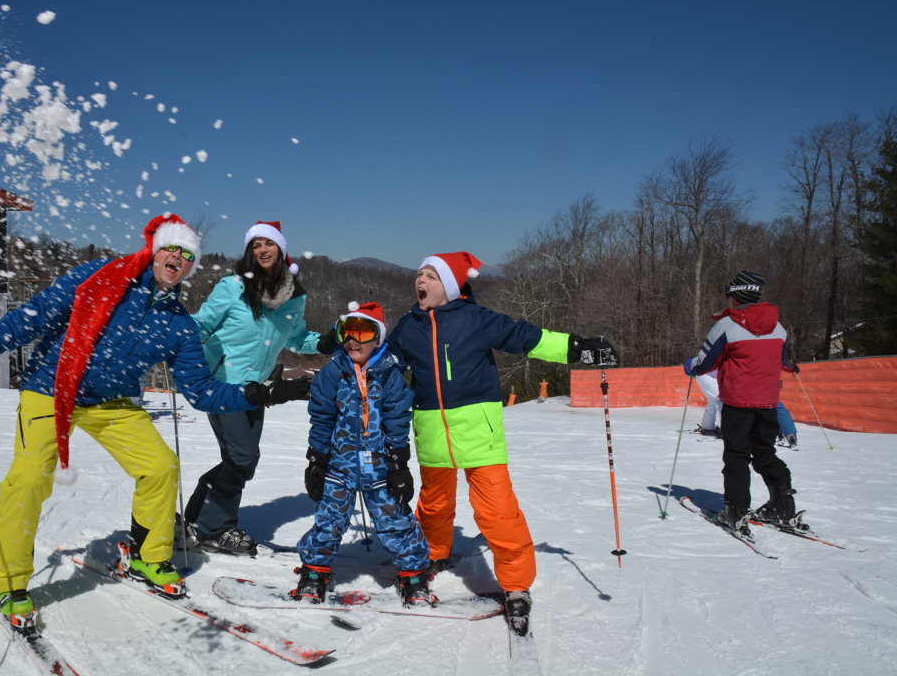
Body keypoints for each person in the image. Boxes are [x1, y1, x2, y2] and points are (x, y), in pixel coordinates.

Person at [0, 214, 307, 625]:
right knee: (29, 477)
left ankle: (147, 558)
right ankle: (7, 582)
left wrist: (259, 393)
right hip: (52, 386)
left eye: (187, 255)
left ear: (190, 268)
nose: (178, 258)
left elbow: (202, 390)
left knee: (160, 466)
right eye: (172, 249)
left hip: (112, 402)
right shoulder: (102, 278)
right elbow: (39, 313)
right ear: (155, 251)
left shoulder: (178, 325)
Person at [386, 251, 618, 637]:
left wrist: (576, 348)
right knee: (434, 505)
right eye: (419, 274)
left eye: (430, 275)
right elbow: (384, 362)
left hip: (480, 434)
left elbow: (528, 337)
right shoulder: (408, 326)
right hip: (431, 433)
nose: (420, 281)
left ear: (450, 286)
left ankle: (516, 584)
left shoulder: (477, 319)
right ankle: (433, 555)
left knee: (498, 513)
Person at [185, 221, 333, 556]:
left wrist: (325, 342)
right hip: (223, 384)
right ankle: (213, 529)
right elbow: (201, 323)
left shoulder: (293, 296)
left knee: (243, 460)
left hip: (259, 388)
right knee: (241, 457)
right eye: (256, 245)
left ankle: (196, 516)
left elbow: (296, 338)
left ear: (281, 249)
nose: (263, 250)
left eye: (269, 244)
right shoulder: (233, 287)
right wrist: (176, 333)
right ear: (250, 253)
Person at [294, 302, 433, 606]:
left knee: (395, 522)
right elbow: (322, 418)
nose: (352, 341)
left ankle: (414, 573)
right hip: (338, 468)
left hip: (380, 468)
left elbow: (397, 420)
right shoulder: (333, 372)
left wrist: (398, 464)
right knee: (329, 522)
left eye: (363, 333)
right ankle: (315, 570)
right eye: (346, 332)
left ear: (378, 338)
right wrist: (316, 459)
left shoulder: (390, 376)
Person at [683, 270, 802, 533]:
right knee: (765, 453)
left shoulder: (727, 325)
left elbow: (706, 362)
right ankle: (783, 504)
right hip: (768, 403)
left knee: (736, 455)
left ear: (734, 295)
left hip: (737, 402)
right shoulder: (778, 327)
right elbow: (782, 359)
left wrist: (691, 366)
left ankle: (735, 510)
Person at [695, 368, 722, 437]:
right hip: (707, 374)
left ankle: (708, 427)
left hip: (711, 374)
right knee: (721, 400)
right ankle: (728, 429)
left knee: (714, 400)